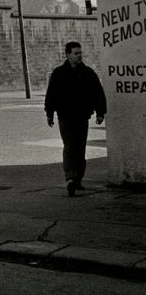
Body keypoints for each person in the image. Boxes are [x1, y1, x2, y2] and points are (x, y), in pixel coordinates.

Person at [44, 40, 106, 196]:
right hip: (65, 116)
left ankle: (77, 179)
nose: (79, 56)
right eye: (76, 53)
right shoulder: (59, 73)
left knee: (80, 148)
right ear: (68, 55)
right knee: (70, 146)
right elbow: (51, 94)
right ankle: (71, 178)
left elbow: (97, 92)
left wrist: (100, 112)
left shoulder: (88, 73)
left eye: (80, 53)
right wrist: (49, 113)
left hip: (82, 116)